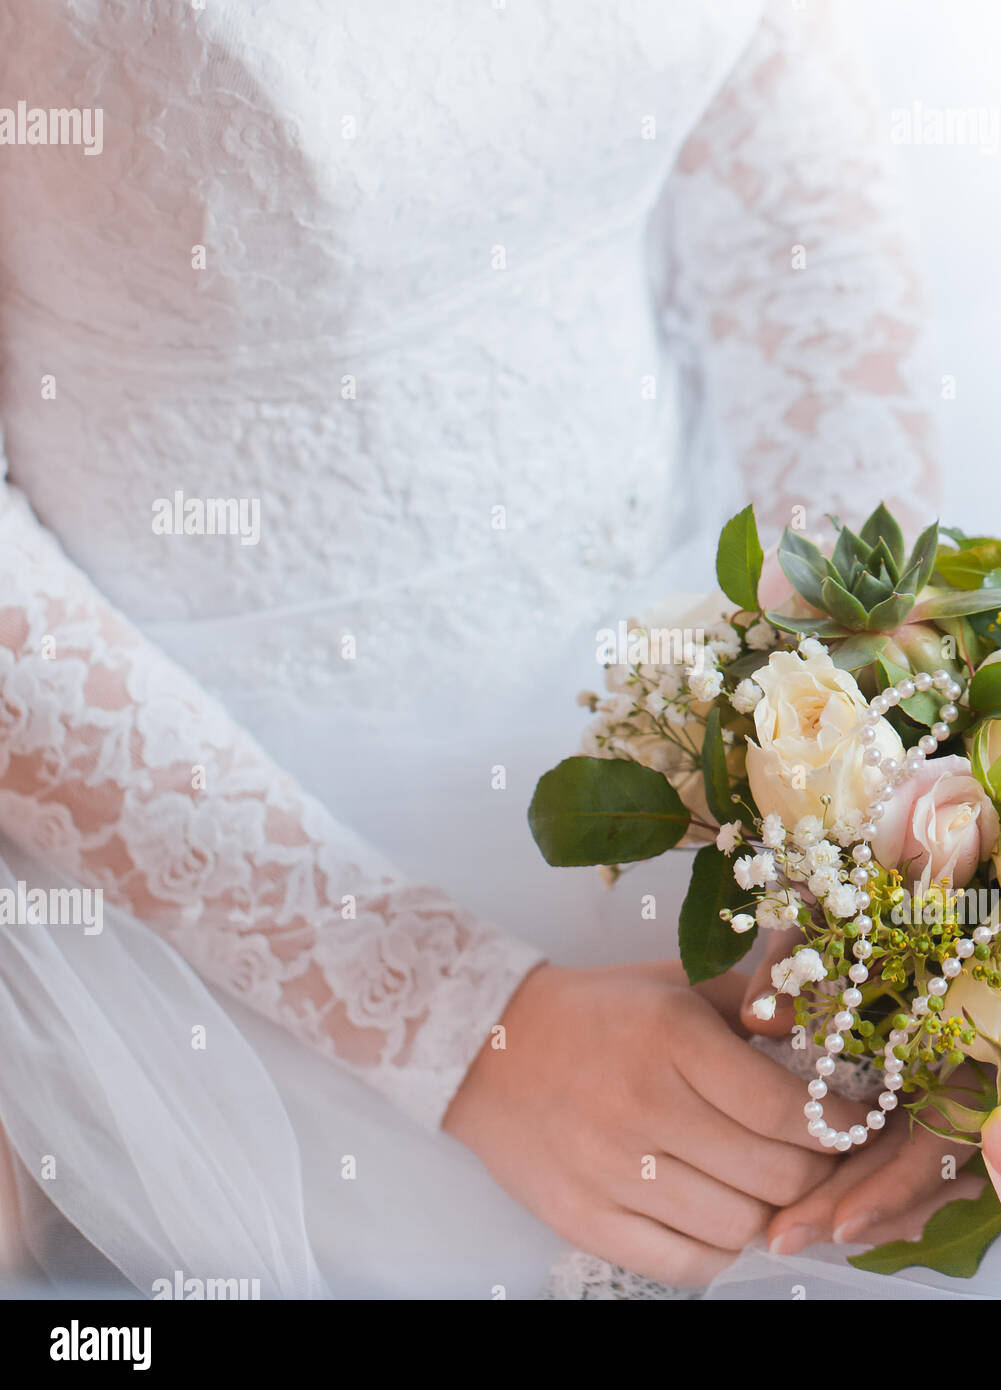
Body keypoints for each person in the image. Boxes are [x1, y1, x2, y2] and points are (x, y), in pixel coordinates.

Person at [0, 0, 935, 1296]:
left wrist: (872, 862)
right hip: (204, 854)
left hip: (693, 732)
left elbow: (806, 249)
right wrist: (465, 1025)